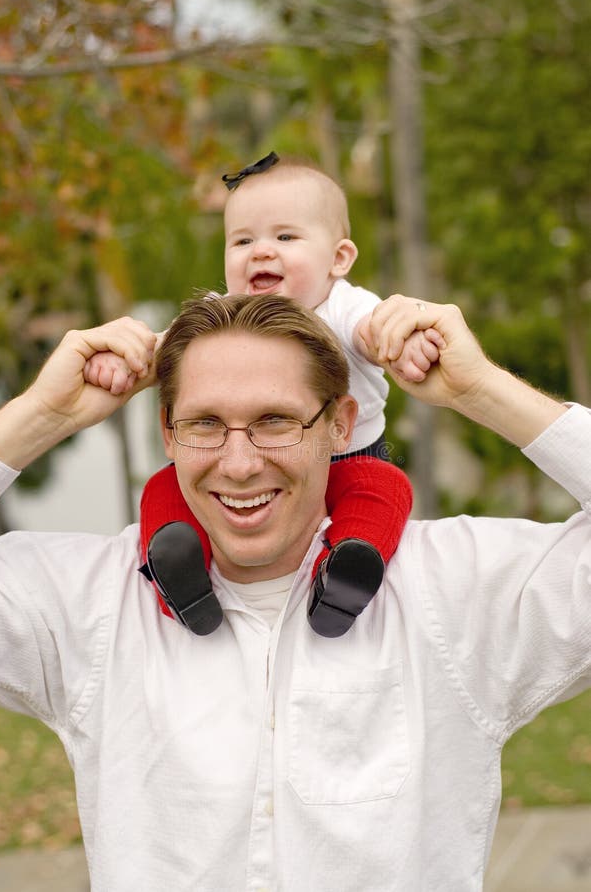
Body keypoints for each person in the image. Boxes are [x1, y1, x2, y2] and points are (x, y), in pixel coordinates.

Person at [0, 292, 590, 891]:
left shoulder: (454, 588)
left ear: (340, 426)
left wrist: (480, 389)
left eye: (276, 421)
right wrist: (44, 414)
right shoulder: (88, 603)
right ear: (168, 433)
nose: (240, 463)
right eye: (204, 424)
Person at [84, 152, 443, 637]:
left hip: (353, 457)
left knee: (385, 488)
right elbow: (160, 353)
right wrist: (120, 361)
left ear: (339, 259)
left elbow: (375, 331)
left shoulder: (343, 306)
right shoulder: (222, 314)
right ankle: (178, 575)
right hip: (254, 457)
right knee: (163, 489)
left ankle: (346, 569)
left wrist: (405, 341)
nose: (261, 252)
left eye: (285, 237)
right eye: (243, 240)